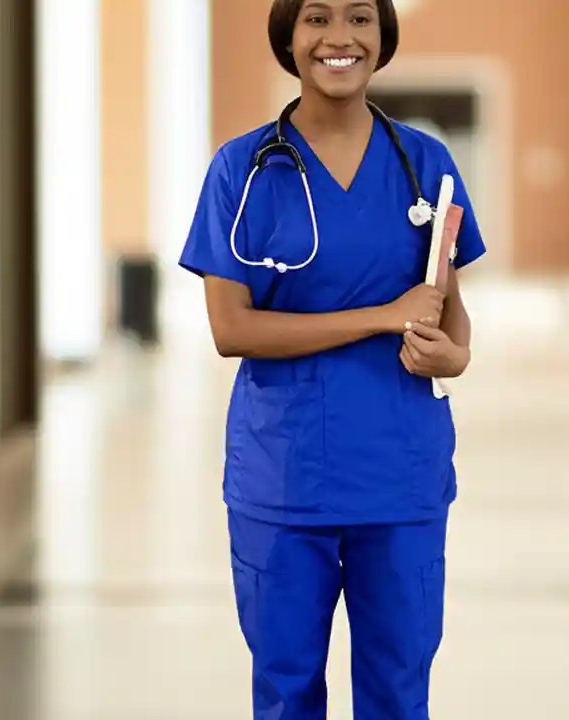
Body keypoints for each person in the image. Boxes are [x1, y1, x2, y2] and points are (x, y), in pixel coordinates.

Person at [178, 0, 485, 716]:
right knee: (285, 692)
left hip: (399, 474)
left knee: (398, 692)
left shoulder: (424, 163)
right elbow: (232, 328)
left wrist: (453, 355)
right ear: (289, 36)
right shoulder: (243, 170)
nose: (339, 38)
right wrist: (379, 317)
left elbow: (449, 317)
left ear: (384, 37)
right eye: (317, 18)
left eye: (359, 18)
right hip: (284, 477)